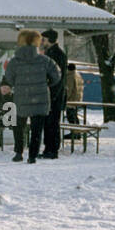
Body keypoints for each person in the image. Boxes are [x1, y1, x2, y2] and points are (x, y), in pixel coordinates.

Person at [2, 29, 61, 163]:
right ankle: (32, 155)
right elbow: (56, 76)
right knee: (36, 129)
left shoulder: (14, 62)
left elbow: (9, 79)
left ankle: (18, 152)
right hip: (40, 98)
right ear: (37, 42)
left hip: (21, 98)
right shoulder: (45, 60)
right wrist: (46, 84)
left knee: (18, 127)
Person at [39, 29, 68, 159]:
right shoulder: (50, 53)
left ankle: (52, 149)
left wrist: (52, 94)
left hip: (54, 95)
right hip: (50, 93)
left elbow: (58, 77)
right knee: (48, 122)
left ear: (50, 40)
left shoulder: (57, 55)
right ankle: (48, 148)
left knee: (52, 122)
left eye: (43, 39)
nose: (41, 42)